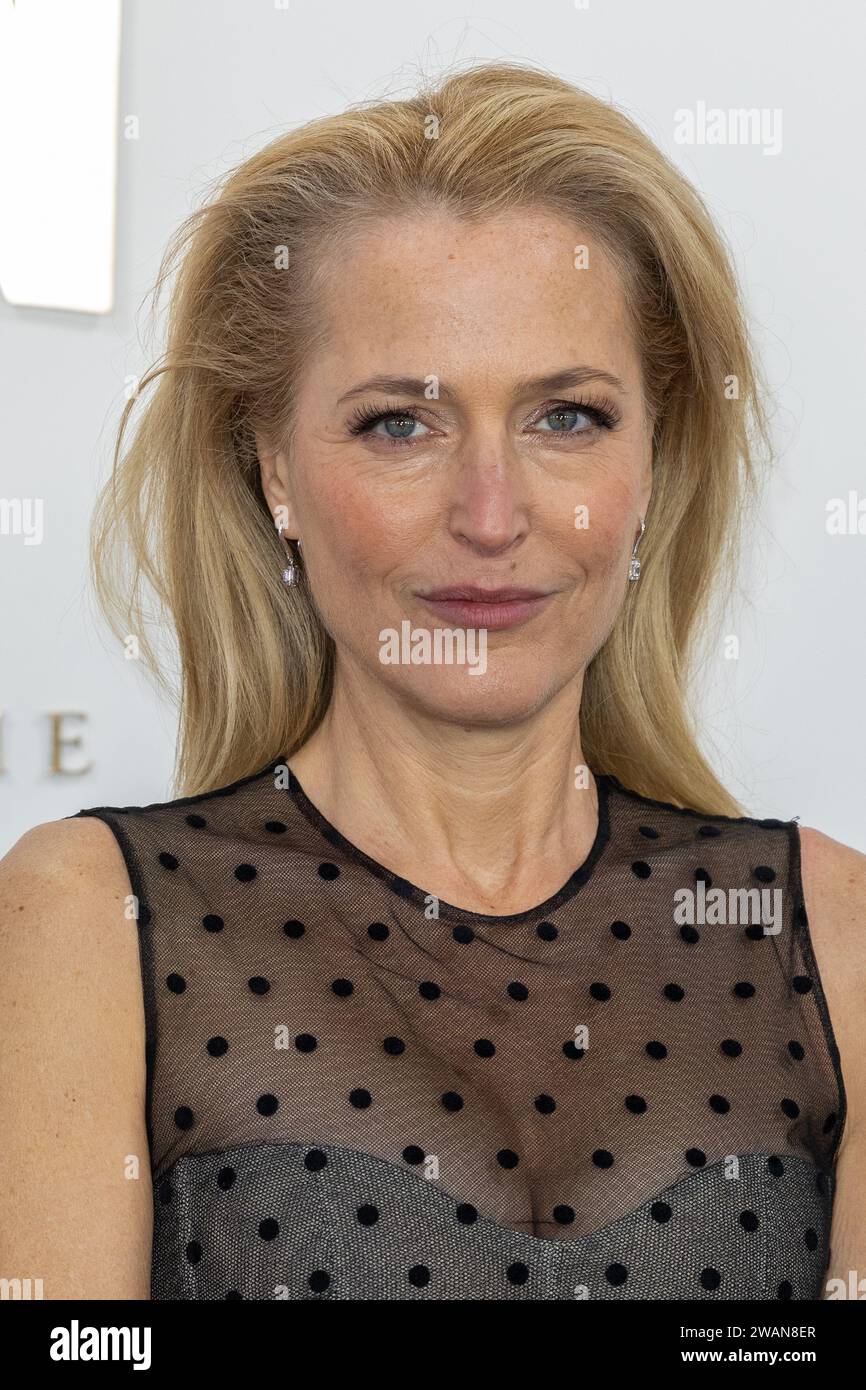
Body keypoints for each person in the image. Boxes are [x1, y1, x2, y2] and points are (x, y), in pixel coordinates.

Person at [1, 61, 863, 1301]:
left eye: (565, 416)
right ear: (272, 472)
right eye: (398, 425)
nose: (490, 514)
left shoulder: (830, 936)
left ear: (653, 458)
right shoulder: (90, 919)